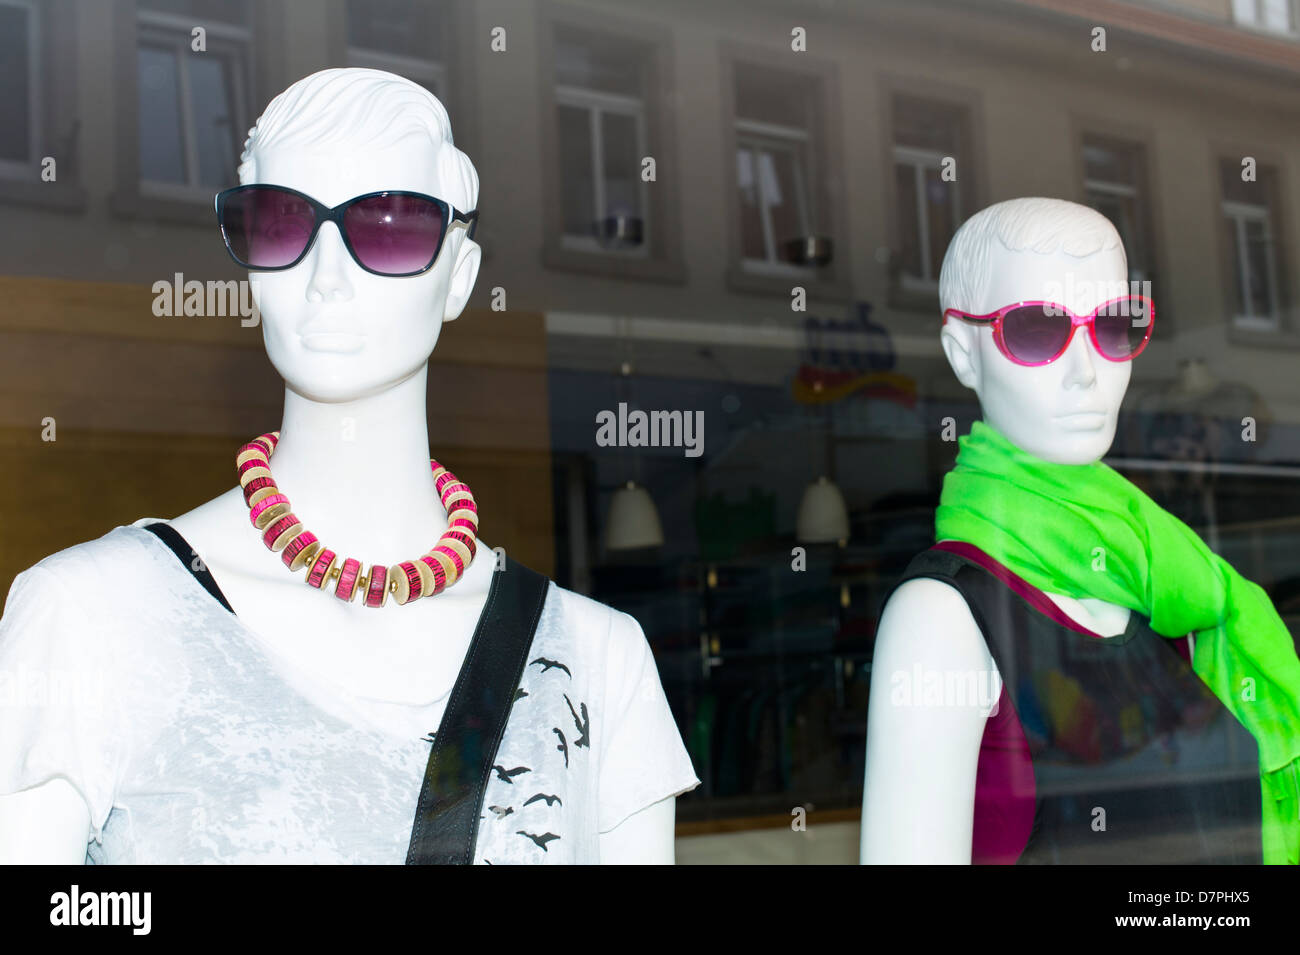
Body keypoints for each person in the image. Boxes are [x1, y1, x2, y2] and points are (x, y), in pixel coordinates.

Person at [0, 68, 698, 865]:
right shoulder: (90, 618)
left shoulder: (599, 663)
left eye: (388, 228)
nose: (326, 278)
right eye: (281, 223)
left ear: (460, 278)